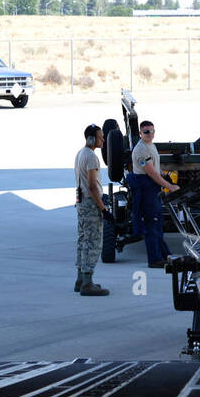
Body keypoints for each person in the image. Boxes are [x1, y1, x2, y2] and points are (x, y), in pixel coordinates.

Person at [129, 120, 178, 268]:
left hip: (152, 189)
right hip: (146, 190)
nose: (150, 134)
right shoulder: (141, 150)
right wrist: (169, 186)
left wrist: (164, 173)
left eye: (152, 131)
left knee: (158, 224)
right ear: (140, 133)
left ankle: (165, 255)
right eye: (146, 132)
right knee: (151, 224)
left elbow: (155, 168)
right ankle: (155, 259)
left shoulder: (151, 145)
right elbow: (151, 174)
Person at [75, 124, 111, 295]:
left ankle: (80, 279)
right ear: (91, 138)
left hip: (82, 203)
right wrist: (103, 209)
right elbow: (92, 186)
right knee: (93, 242)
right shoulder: (91, 157)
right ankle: (87, 283)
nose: (103, 140)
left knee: (83, 240)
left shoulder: (80, 154)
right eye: (100, 137)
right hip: (90, 204)